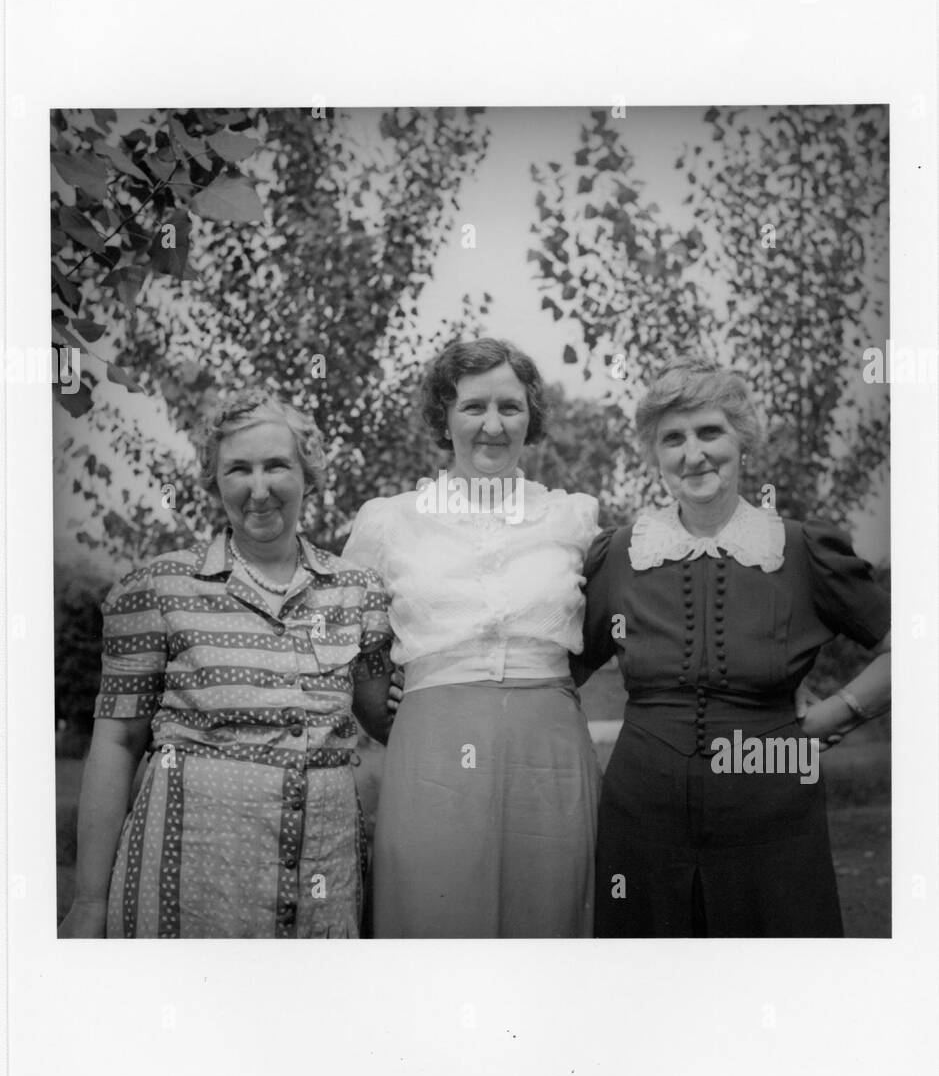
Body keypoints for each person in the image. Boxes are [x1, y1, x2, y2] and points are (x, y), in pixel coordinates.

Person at [58, 390, 394, 939]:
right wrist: (90, 902)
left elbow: (385, 717)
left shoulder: (357, 591)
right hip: (192, 875)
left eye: (277, 466)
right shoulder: (159, 588)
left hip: (323, 873)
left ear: (307, 474)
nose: (259, 488)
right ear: (215, 483)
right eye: (238, 469)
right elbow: (116, 744)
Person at [574, 358, 891, 938]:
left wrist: (837, 712)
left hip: (775, 810)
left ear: (742, 439)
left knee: (775, 991)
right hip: (641, 815)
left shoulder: (799, 549)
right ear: (656, 455)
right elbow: (560, 668)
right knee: (651, 998)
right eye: (673, 439)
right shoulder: (621, 555)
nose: (692, 454)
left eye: (709, 432)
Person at [342, 338, 601, 937]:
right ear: (444, 415)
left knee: (548, 919)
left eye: (510, 407)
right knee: (435, 916)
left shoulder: (574, 517)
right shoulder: (389, 520)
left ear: (531, 416)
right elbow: (352, 639)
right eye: (473, 407)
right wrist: (384, 712)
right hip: (431, 746)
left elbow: (603, 628)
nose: (492, 424)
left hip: (550, 746)